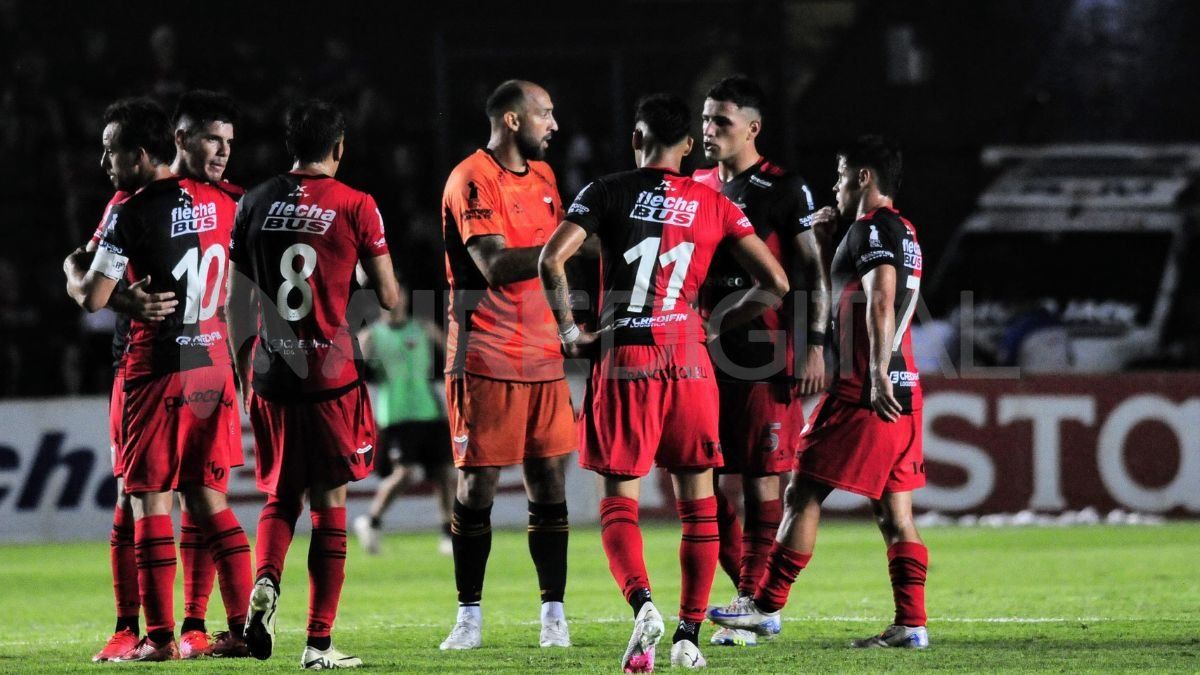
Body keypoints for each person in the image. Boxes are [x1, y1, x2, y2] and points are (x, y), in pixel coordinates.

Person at [538, 93, 789, 671]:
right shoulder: (715, 203)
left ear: (636, 138)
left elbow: (552, 259)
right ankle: (688, 636)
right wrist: (714, 323)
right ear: (688, 146)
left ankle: (643, 603)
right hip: (689, 359)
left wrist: (570, 331)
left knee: (618, 501)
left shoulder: (605, 190)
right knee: (698, 505)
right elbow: (775, 283)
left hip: (626, 352)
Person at [708, 135, 930, 649]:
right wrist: (830, 242)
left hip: (864, 390)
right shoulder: (904, 230)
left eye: (841, 175)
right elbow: (860, 292)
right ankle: (911, 623)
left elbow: (880, 300)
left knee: (802, 492)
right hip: (906, 390)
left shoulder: (872, 228)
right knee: (895, 515)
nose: (835, 186)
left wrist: (875, 372)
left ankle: (765, 607)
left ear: (863, 177)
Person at [65, 89, 251, 662]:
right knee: (204, 499)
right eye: (213, 140)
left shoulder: (133, 207)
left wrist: (111, 294)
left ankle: (159, 633)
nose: (104, 163)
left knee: (143, 500)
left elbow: (88, 290)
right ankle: (229, 628)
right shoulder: (231, 201)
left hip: (151, 366)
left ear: (145, 152)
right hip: (213, 363)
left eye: (111, 151)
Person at [226, 99, 399, 670]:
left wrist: (245, 367)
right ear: (339, 147)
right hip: (330, 376)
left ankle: (266, 581)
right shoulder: (356, 204)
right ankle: (318, 644)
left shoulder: (252, 201)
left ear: (291, 146)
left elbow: (235, 302)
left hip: (272, 374)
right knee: (330, 504)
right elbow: (390, 297)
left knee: (281, 496)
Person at [691, 76, 833, 647]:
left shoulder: (783, 187)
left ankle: (751, 606)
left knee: (760, 484)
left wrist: (816, 344)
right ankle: (747, 599)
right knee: (697, 480)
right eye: (705, 119)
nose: (708, 129)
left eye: (720, 121)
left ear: (752, 128)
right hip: (700, 355)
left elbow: (812, 271)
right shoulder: (695, 186)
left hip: (762, 356)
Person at [439, 79, 574, 651]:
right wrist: (568, 249)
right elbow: (493, 265)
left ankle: (554, 615)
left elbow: (560, 263)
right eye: (545, 114)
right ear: (514, 120)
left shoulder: (544, 178)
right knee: (478, 485)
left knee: (549, 479)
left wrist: (568, 326)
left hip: (543, 353)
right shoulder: (471, 177)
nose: (554, 125)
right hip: (486, 352)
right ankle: (468, 616)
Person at [353, 279, 455, 556]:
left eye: (400, 295)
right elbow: (351, 370)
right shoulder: (370, 336)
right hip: (395, 414)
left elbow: (453, 351)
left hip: (428, 409)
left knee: (443, 473)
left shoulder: (422, 328)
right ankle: (372, 520)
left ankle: (447, 532)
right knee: (406, 472)